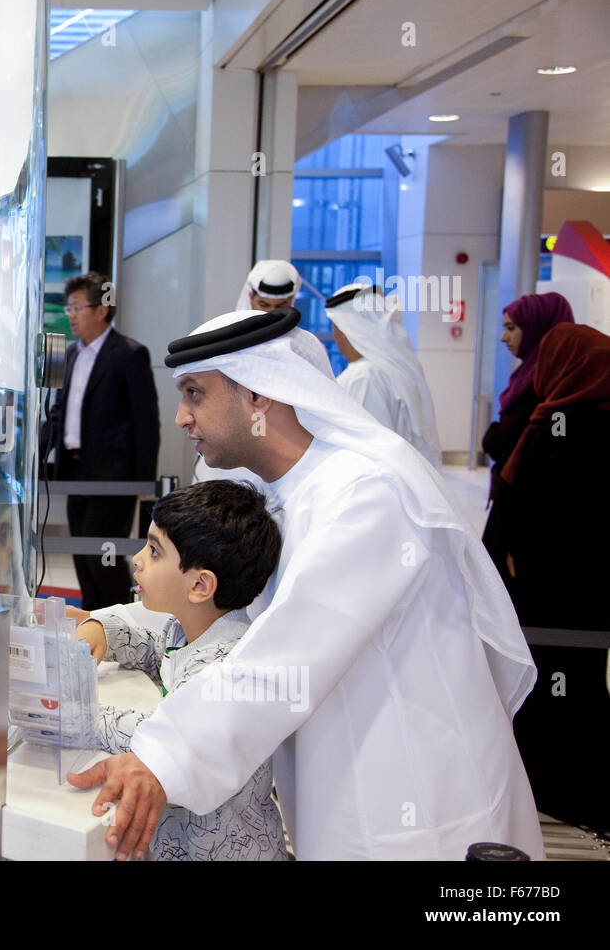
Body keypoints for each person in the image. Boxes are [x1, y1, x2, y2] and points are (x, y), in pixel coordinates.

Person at [67, 307, 542, 861]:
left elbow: (282, 654)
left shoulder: (366, 493)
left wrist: (164, 756)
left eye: (195, 393)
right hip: (338, 781)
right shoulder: (274, 491)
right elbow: (225, 607)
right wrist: (112, 623)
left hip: (419, 797)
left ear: (258, 396)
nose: (181, 417)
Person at [78, 481, 287, 860]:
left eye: (155, 551)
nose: (138, 559)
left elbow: (157, 736)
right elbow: (154, 647)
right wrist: (103, 630)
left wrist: (72, 713)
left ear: (200, 585)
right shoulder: (189, 629)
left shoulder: (226, 662)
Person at [494, 323, 610, 835]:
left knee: (552, 685)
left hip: (549, 590)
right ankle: (580, 787)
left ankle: (559, 789)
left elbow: (534, 510)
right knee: (578, 685)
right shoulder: (592, 416)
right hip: (587, 592)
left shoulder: (561, 422)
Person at [41, 271, 160, 610]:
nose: (71, 315)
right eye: (69, 308)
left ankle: (118, 620)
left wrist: (143, 478)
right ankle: (93, 618)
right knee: (81, 552)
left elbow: (146, 421)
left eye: (77, 307)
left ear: (101, 309)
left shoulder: (128, 354)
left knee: (103, 555)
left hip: (113, 476)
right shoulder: (72, 354)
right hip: (74, 472)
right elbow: (59, 413)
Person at [480, 292, 574, 590]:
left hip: (524, 510)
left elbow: (503, 440)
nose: (502, 338)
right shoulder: (534, 376)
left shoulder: (544, 386)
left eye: (511, 328)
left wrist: (495, 435)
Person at [324, 282, 442, 466]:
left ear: (345, 329)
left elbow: (367, 450)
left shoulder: (364, 376)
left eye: (335, 326)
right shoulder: (394, 367)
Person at [235, 259, 301, 312]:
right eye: (264, 305)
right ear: (251, 297)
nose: (272, 312)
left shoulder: (300, 329)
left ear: (291, 300)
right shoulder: (230, 328)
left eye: (280, 306)